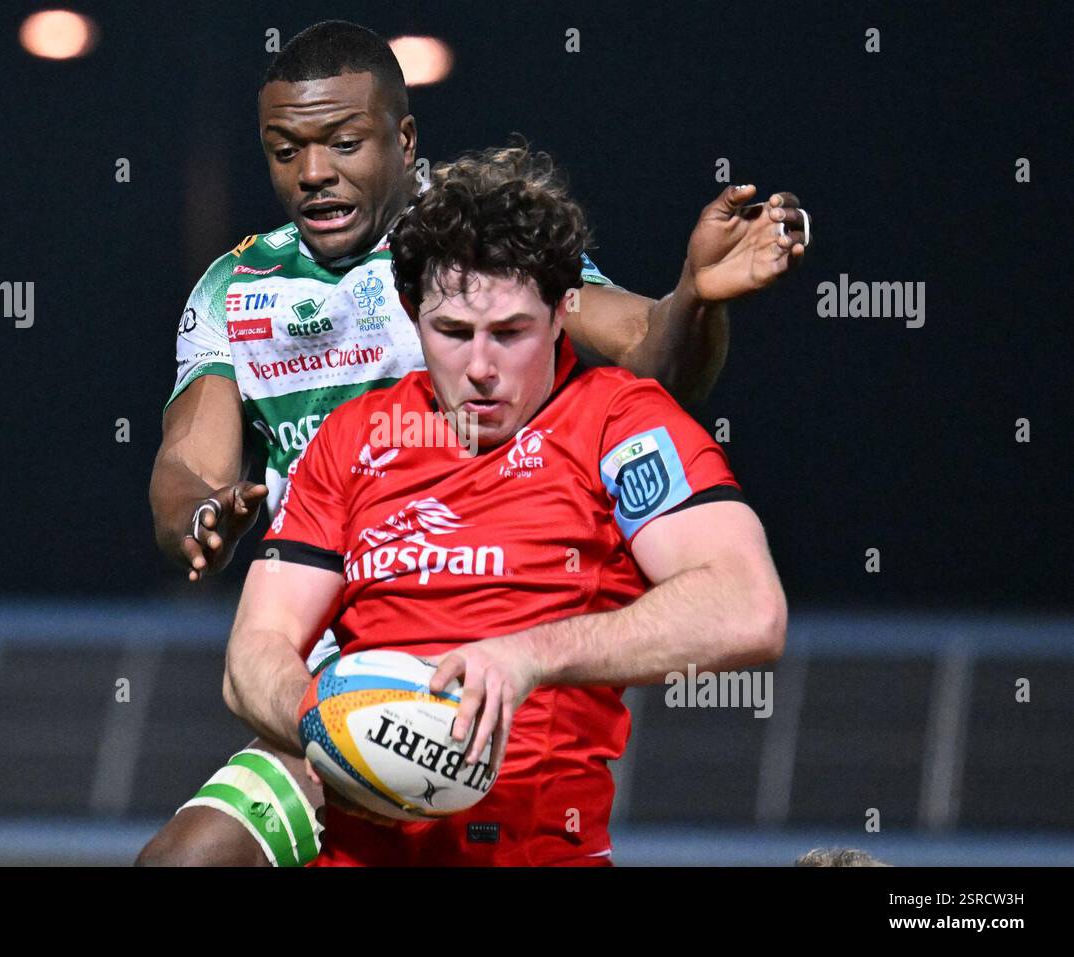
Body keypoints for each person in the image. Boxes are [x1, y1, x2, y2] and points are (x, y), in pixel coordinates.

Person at [139, 19, 808, 866]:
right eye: (284, 150)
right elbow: (186, 469)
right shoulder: (241, 294)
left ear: (403, 138)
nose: (313, 173)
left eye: (343, 143)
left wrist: (693, 299)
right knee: (187, 858)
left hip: (498, 693)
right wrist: (200, 514)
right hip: (339, 676)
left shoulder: (478, 248)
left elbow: (653, 358)